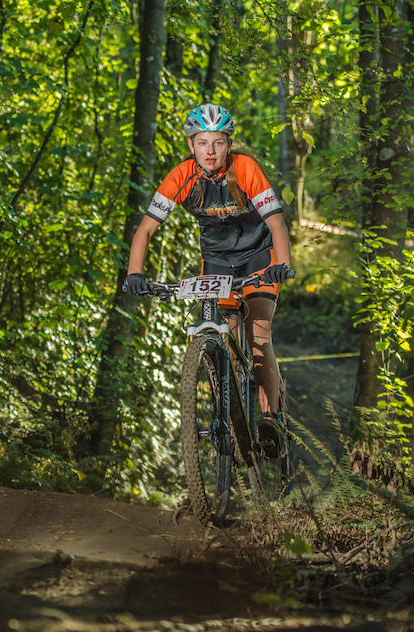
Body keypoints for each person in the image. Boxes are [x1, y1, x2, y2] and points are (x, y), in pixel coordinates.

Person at [122, 103, 293, 455]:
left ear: (229, 144)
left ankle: (270, 417)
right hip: (217, 260)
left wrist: (283, 264)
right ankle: (229, 417)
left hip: (260, 256)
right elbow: (145, 230)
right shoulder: (181, 176)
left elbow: (276, 223)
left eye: (217, 142)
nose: (210, 151)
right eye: (202, 143)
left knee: (257, 333)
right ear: (191, 145)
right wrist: (134, 273)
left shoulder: (245, 169)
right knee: (224, 332)